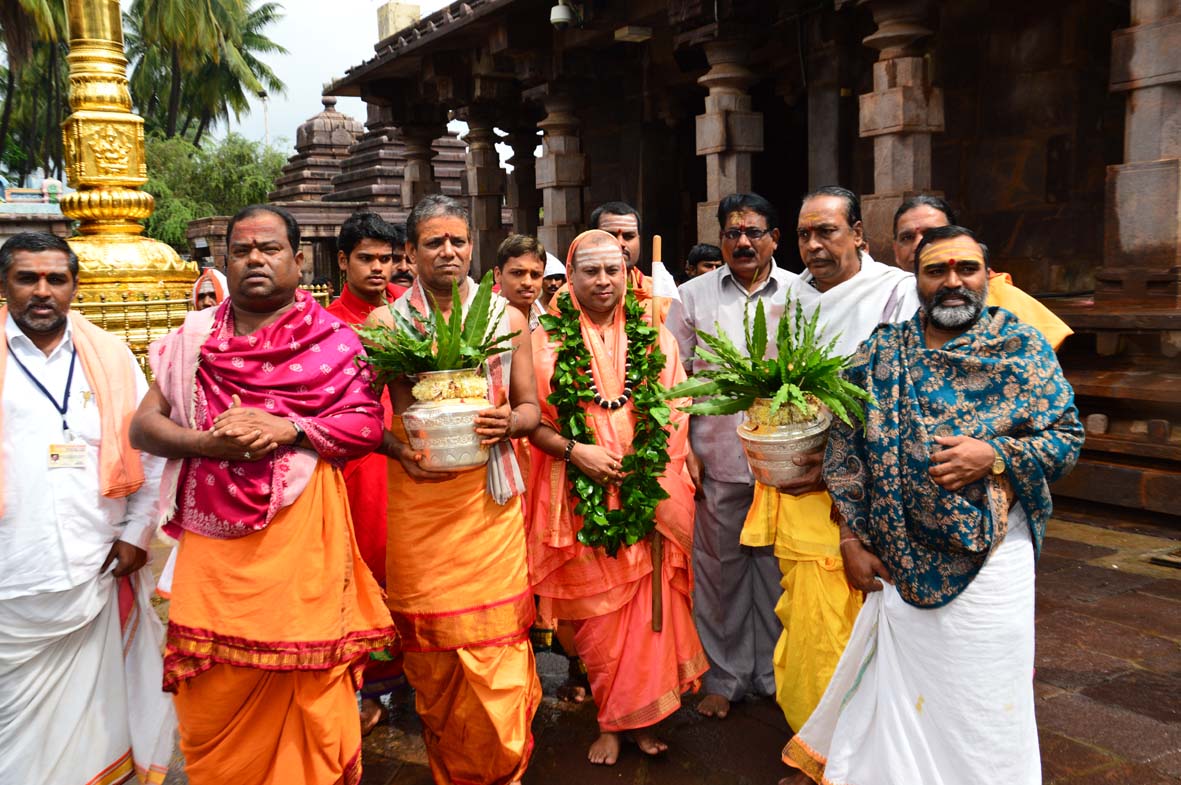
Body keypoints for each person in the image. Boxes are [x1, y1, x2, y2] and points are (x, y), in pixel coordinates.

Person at [784, 225, 1084, 785]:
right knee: (904, 690)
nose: (952, 282)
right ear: (915, 279)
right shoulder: (882, 351)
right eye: (936, 271)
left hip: (995, 557)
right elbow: (847, 448)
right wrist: (851, 538)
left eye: (965, 269)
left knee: (984, 692)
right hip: (899, 557)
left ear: (986, 277)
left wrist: (992, 454)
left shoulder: (1021, 350)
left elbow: (1065, 438)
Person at [130, 204, 396, 785]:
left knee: (309, 678)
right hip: (212, 543)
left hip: (302, 535)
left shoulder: (335, 339)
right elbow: (143, 426)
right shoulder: (193, 339)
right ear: (226, 260)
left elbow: (366, 426)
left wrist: (291, 428)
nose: (255, 259)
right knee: (211, 689)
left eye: (269, 248)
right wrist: (207, 444)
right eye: (242, 249)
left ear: (298, 261)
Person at [371, 194, 542, 785]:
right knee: (435, 652)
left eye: (458, 241)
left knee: (496, 644)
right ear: (411, 254)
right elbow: (366, 418)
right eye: (434, 243)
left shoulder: (506, 318)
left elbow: (528, 407)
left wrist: (508, 422)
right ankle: (456, 767)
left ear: (472, 247)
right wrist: (398, 447)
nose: (449, 252)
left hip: (487, 503)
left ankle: (503, 768)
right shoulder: (386, 323)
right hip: (420, 499)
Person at [0, 231, 174, 785]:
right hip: (11, 578)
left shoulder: (110, 355)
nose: (43, 291)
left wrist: (137, 535)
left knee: (95, 720)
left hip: (94, 571)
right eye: (28, 278)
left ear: (76, 285)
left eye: (57, 279)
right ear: (5, 284)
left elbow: (147, 456)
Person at [528, 230, 706, 765]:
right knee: (597, 623)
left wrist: (644, 476)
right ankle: (610, 718)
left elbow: (675, 411)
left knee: (650, 613)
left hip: (647, 490)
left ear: (629, 275)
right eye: (590, 271)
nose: (603, 281)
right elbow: (533, 418)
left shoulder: (657, 336)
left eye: (614, 270)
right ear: (571, 278)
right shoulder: (544, 342)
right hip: (578, 495)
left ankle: (645, 716)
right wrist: (576, 452)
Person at [754, 186, 920, 735]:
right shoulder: (790, 295)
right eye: (804, 234)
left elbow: (900, 390)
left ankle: (865, 747)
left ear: (857, 235)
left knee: (867, 626)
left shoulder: (896, 292)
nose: (813, 245)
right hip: (804, 484)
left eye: (826, 231)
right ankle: (815, 742)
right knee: (811, 625)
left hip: (874, 486)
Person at [667, 192, 795, 720]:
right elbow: (670, 378)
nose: (743, 242)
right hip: (715, 457)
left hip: (785, 460)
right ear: (721, 239)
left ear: (774, 240)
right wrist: (682, 449)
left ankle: (774, 673)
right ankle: (724, 675)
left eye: (754, 233)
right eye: (732, 234)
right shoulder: (691, 297)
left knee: (777, 569)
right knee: (720, 569)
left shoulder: (801, 293)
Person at [326, 210, 407, 734]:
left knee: (414, 570)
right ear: (343, 261)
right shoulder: (326, 323)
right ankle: (371, 685)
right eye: (367, 259)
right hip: (362, 468)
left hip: (417, 459)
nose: (379, 269)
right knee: (367, 572)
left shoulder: (410, 311)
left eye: (387, 259)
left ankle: (420, 672)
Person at [892, 194, 1073, 349]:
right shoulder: (886, 296)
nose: (918, 245)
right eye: (907, 237)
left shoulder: (1001, 295)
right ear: (895, 250)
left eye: (933, 234)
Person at [494, 233, 547, 329]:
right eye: (518, 273)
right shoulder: (480, 325)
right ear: (498, 275)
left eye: (535, 275)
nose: (527, 282)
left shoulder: (546, 328)